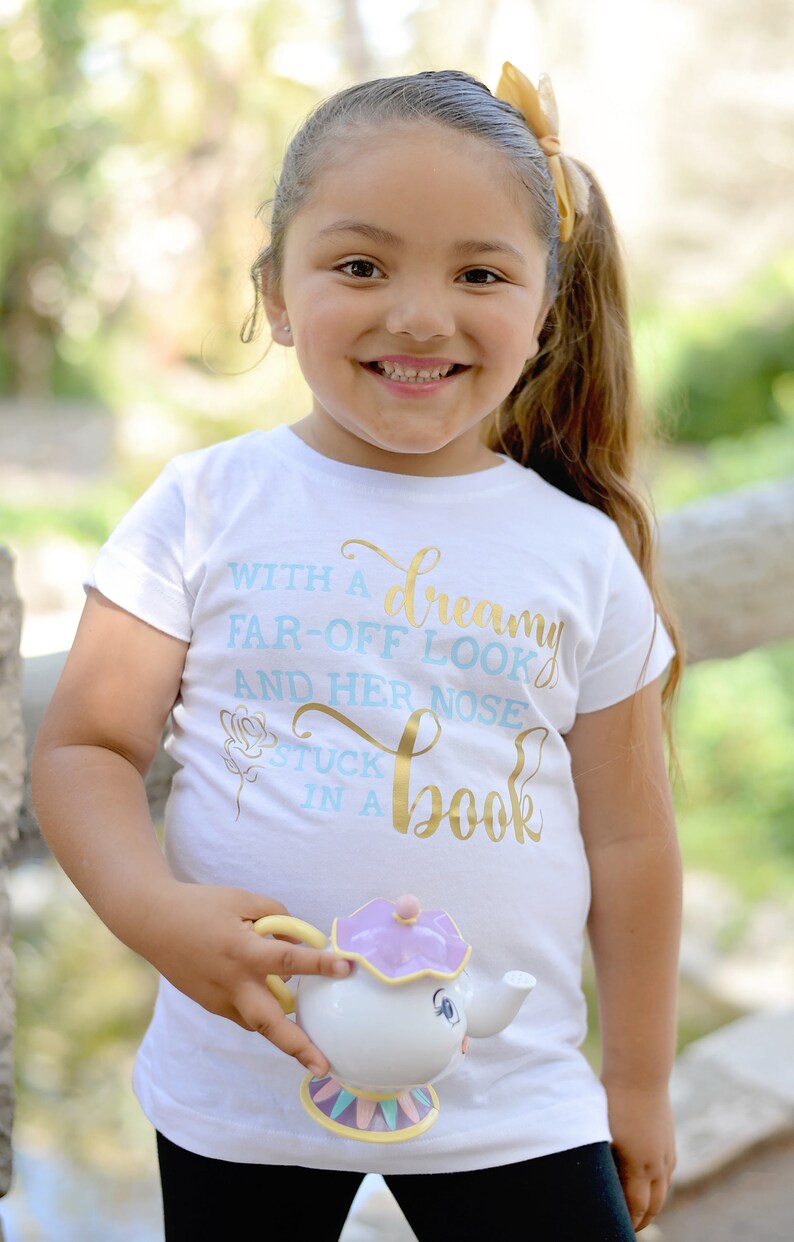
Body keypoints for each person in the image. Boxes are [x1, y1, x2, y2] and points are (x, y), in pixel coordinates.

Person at [31, 63, 684, 1241]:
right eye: (360, 266)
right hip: (245, 1076)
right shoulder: (203, 506)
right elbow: (85, 746)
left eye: (479, 273)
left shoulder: (579, 556)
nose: (420, 315)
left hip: (514, 1099)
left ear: (543, 311)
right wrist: (150, 911)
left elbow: (631, 840)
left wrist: (635, 1084)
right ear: (274, 293)